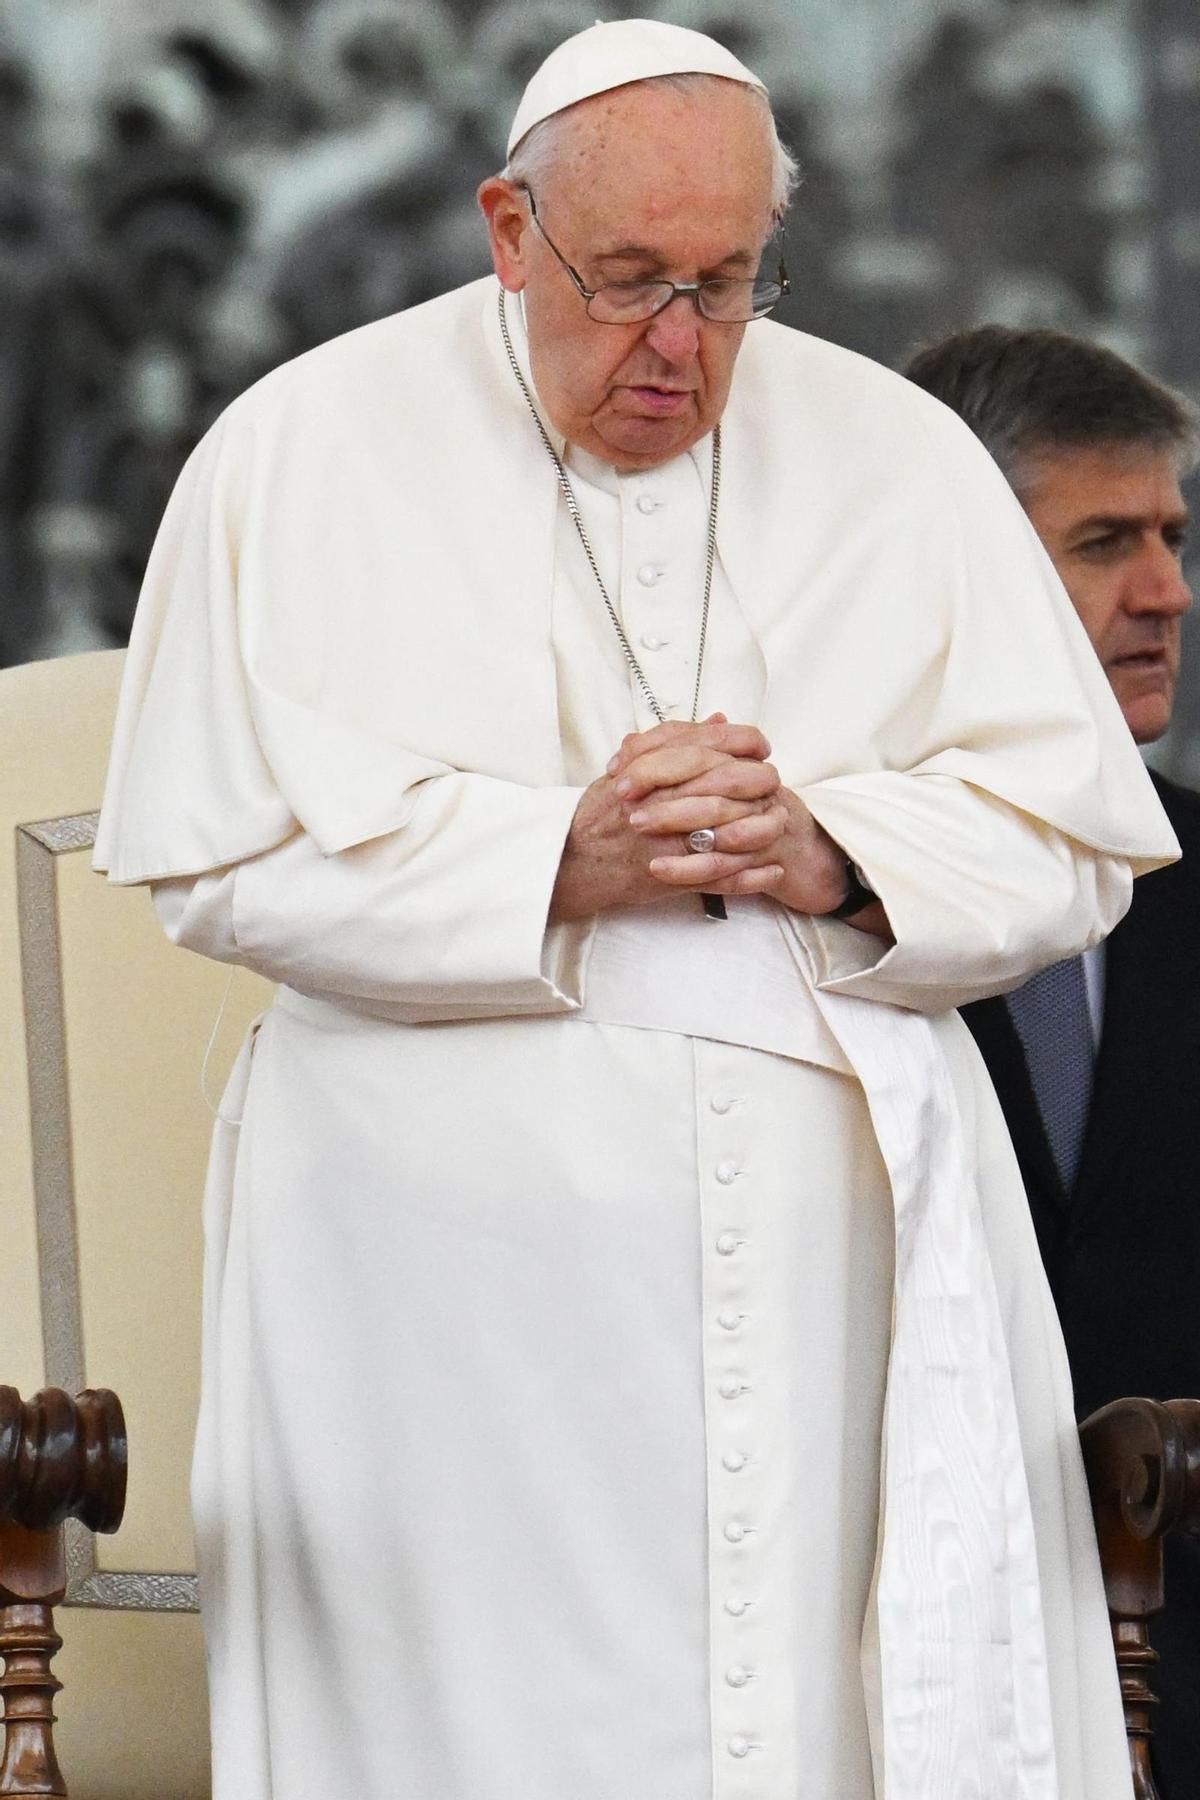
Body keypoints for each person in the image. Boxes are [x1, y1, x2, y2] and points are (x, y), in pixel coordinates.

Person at [93, 21, 1177, 1800]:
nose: (679, 343)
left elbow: (1072, 851)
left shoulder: (898, 458)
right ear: (509, 230)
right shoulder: (298, 451)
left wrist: (830, 851)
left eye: (727, 285)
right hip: (439, 1316)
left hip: (840, 1309)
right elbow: (212, 868)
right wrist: (556, 863)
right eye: (629, 280)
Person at [904, 324, 1199, 1799]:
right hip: (907, 1670)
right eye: (1104, 543)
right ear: (957, 569)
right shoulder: (797, 893)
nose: (1168, 593)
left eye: (1171, 538)